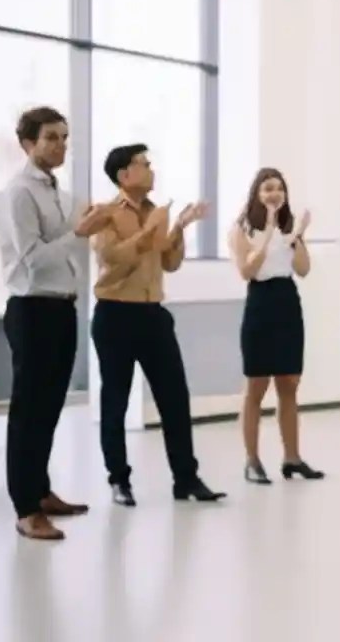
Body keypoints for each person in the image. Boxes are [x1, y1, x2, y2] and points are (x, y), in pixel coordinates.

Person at [0, 106, 113, 541]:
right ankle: (25, 509)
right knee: (28, 411)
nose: (60, 145)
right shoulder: (18, 193)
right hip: (31, 310)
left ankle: (41, 492)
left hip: (62, 308)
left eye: (64, 137)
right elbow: (32, 259)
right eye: (50, 137)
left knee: (48, 407)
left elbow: (69, 244)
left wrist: (86, 225)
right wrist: (79, 232)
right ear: (27, 143)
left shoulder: (60, 194)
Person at [91, 143, 225, 506]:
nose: (152, 170)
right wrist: (146, 234)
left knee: (174, 398)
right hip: (115, 314)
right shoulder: (105, 214)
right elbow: (111, 259)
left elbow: (170, 263)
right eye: (144, 164)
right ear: (124, 175)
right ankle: (119, 479)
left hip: (153, 315)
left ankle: (186, 479)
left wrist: (179, 227)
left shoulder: (156, 212)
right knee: (115, 400)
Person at [227, 167, 324, 484]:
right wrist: (268, 231)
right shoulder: (242, 228)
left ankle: (292, 458)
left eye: (279, 188)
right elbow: (247, 271)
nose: (274, 193)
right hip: (260, 302)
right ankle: (252, 460)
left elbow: (304, 269)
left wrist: (297, 236)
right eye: (267, 188)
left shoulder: (289, 227)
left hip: (287, 301)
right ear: (256, 193)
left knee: (289, 384)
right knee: (256, 385)